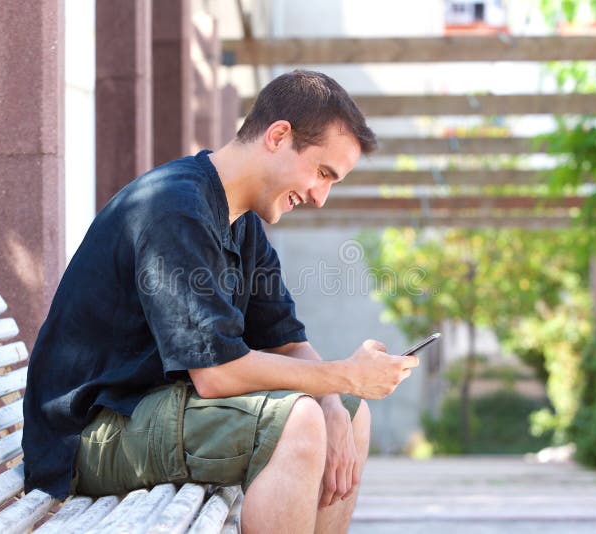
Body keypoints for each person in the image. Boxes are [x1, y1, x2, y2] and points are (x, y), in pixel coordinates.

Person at [22, 69, 419, 533]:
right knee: (298, 424)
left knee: (349, 415)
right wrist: (344, 375)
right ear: (278, 136)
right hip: (89, 436)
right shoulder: (175, 207)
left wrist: (335, 397)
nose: (320, 197)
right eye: (322, 172)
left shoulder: (243, 222)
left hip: (154, 411)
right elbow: (216, 375)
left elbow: (287, 344)